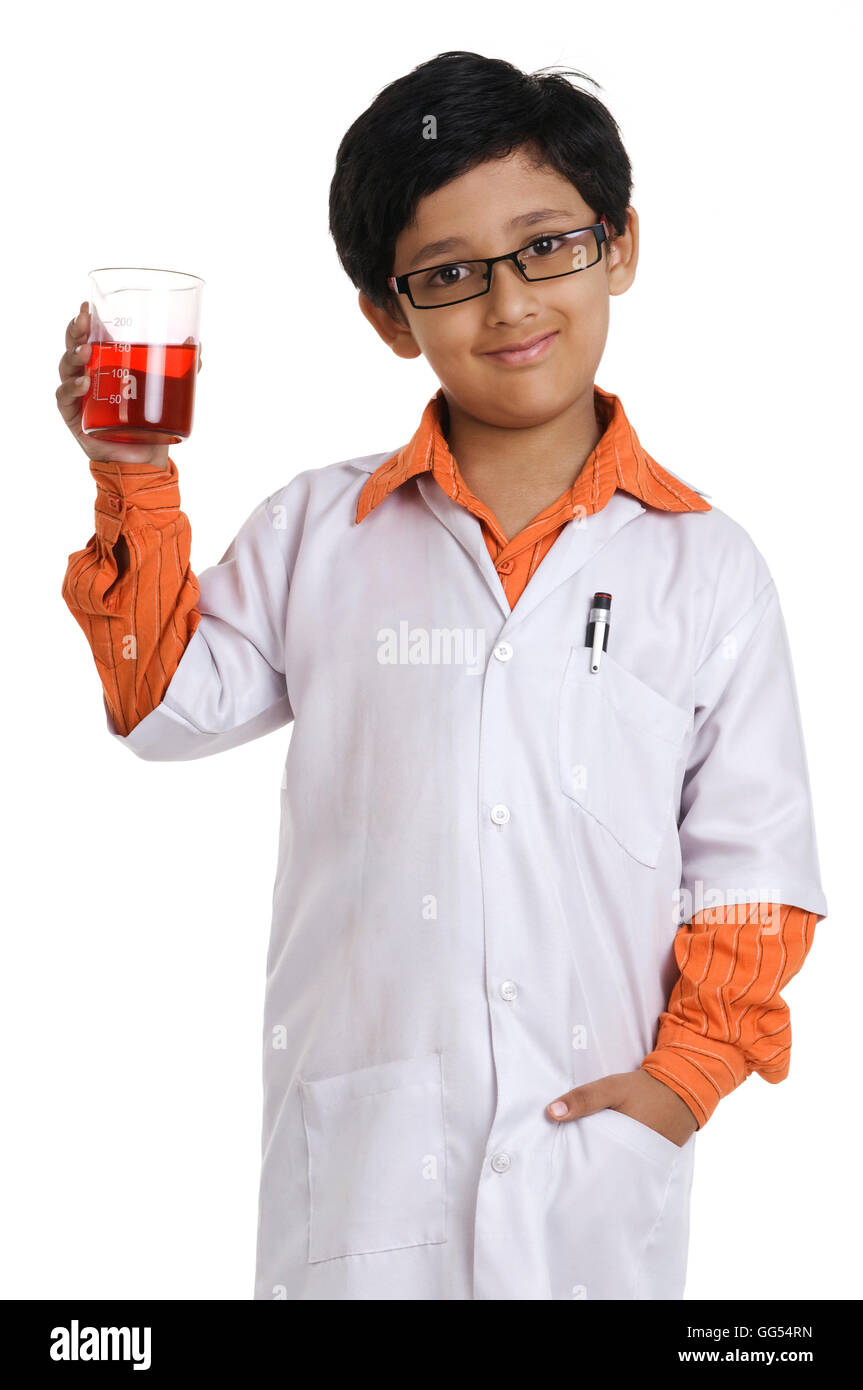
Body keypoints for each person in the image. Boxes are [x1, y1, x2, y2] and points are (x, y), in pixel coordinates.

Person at [57, 51, 827, 1301]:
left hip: (594, 1174)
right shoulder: (323, 531)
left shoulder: (707, 572)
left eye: (546, 247)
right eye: (449, 275)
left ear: (618, 247)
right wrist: (130, 471)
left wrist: (678, 1086)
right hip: (362, 1169)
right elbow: (160, 705)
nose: (509, 302)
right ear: (385, 314)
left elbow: (748, 876)